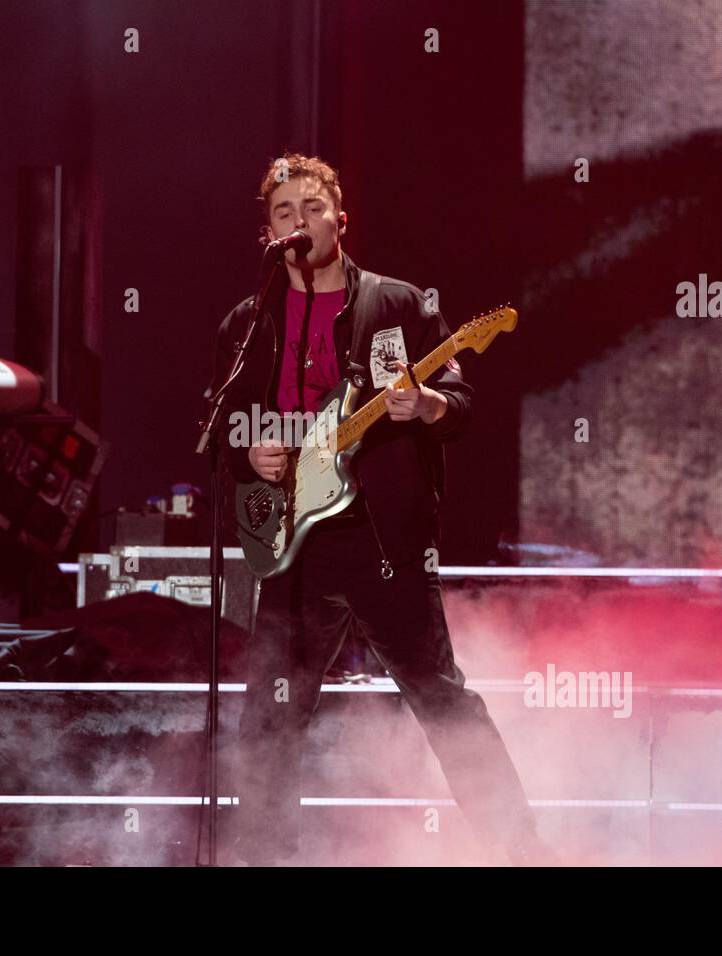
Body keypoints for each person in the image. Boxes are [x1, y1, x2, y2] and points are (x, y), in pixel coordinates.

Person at [212, 152, 557, 866]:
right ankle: (261, 858)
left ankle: (523, 855)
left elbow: (459, 402)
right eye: (284, 213)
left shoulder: (398, 304)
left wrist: (425, 401)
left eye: (312, 209)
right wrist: (251, 454)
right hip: (292, 544)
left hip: (382, 541)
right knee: (271, 719)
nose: (299, 223)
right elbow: (220, 426)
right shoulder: (250, 322)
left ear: (340, 219)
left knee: (442, 701)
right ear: (267, 233)